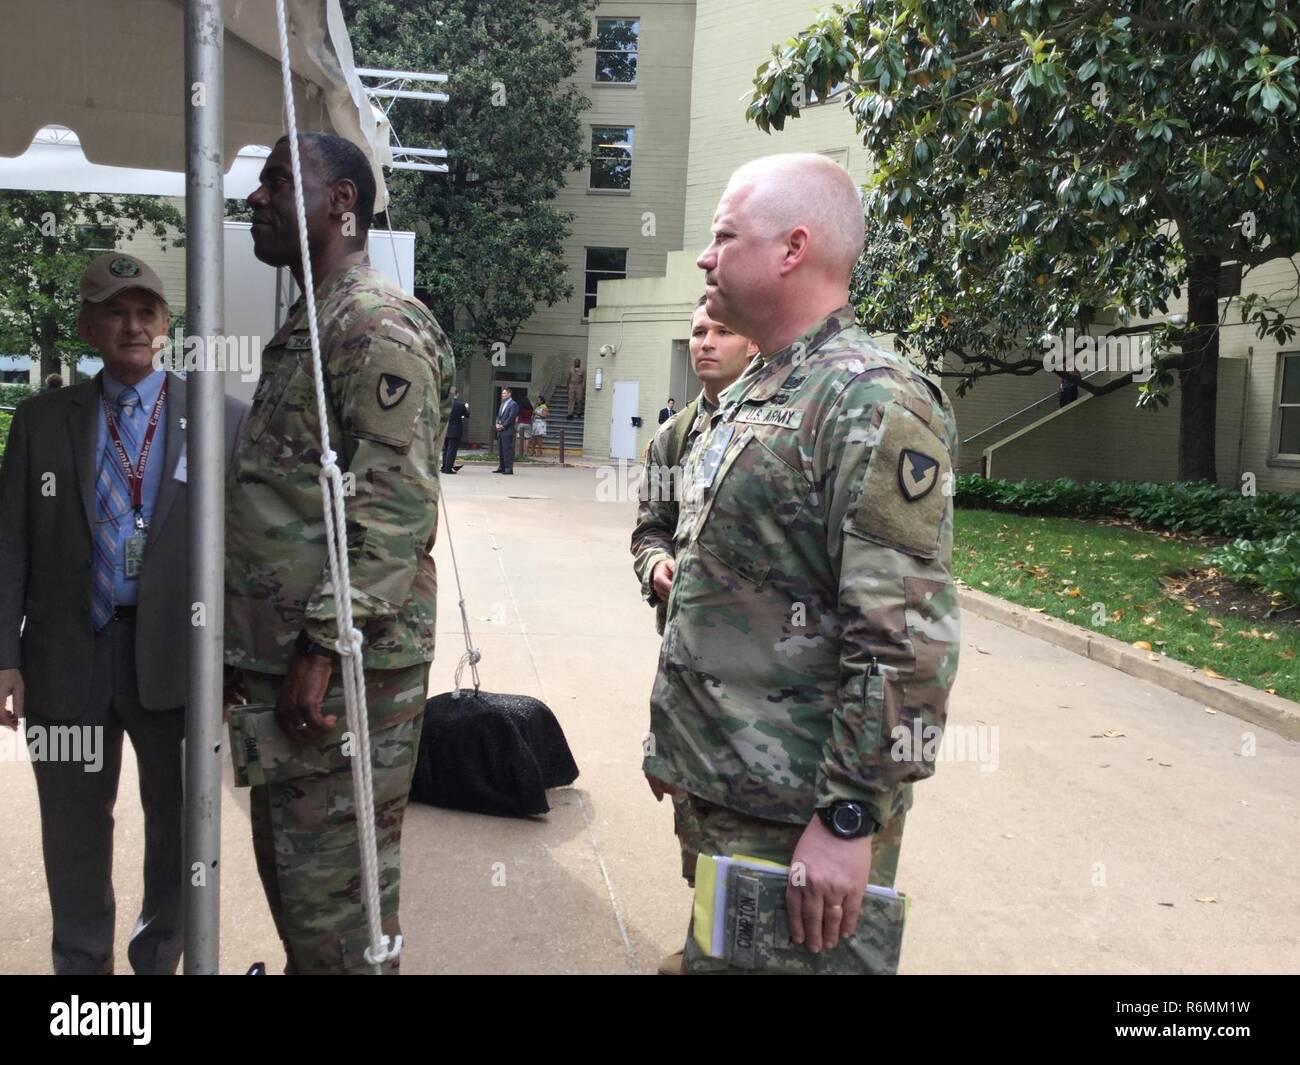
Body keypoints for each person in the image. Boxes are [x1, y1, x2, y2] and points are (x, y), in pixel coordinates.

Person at [644, 153, 960, 975]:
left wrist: (851, 817)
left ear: (792, 249)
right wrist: (678, 748)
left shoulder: (871, 399)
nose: (707, 257)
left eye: (722, 237)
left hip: (800, 818)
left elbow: (907, 643)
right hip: (728, 793)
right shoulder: (757, 392)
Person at [224, 131, 454, 975]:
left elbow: (391, 507)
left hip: (344, 675)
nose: (256, 198)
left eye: (278, 182)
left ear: (343, 204)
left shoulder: (374, 326)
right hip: (292, 667)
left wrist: (324, 648)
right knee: (300, 888)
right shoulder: (314, 323)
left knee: (338, 918)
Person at [0, 252, 244, 974]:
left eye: (146, 310)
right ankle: (83, 976)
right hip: (65, 659)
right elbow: (8, 542)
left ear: (166, 324)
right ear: (87, 327)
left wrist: (232, 661)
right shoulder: (41, 422)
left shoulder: (219, 421)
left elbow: (244, 553)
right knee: (72, 830)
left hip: (177, 659)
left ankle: (156, 958)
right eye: (114, 310)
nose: (132, 324)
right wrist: (4, 658)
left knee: (176, 827)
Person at [632, 295, 756, 636]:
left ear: (753, 343)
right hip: (685, 640)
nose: (707, 344)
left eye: (724, 332)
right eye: (699, 333)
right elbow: (651, 529)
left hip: (765, 650)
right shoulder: (672, 436)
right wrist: (656, 564)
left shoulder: (781, 430)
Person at [441, 388, 468, 473]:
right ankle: (448, 469)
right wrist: (466, 407)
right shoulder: (461, 405)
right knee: (452, 450)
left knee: (445, 449)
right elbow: (467, 415)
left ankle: (444, 467)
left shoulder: (444, 404)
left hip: (445, 429)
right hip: (455, 430)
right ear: (457, 394)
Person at [494, 387, 518, 474]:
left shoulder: (513, 404)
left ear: (509, 394)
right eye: (502, 393)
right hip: (500, 431)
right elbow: (498, 416)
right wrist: (497, 424)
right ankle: (501, 467)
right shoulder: (502, 404)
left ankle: (508, 469)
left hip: (507, 431)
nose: (502, 395)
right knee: (501, 450)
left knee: (507, 450)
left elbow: (511, 417)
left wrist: (503, 426)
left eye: (504, 393)